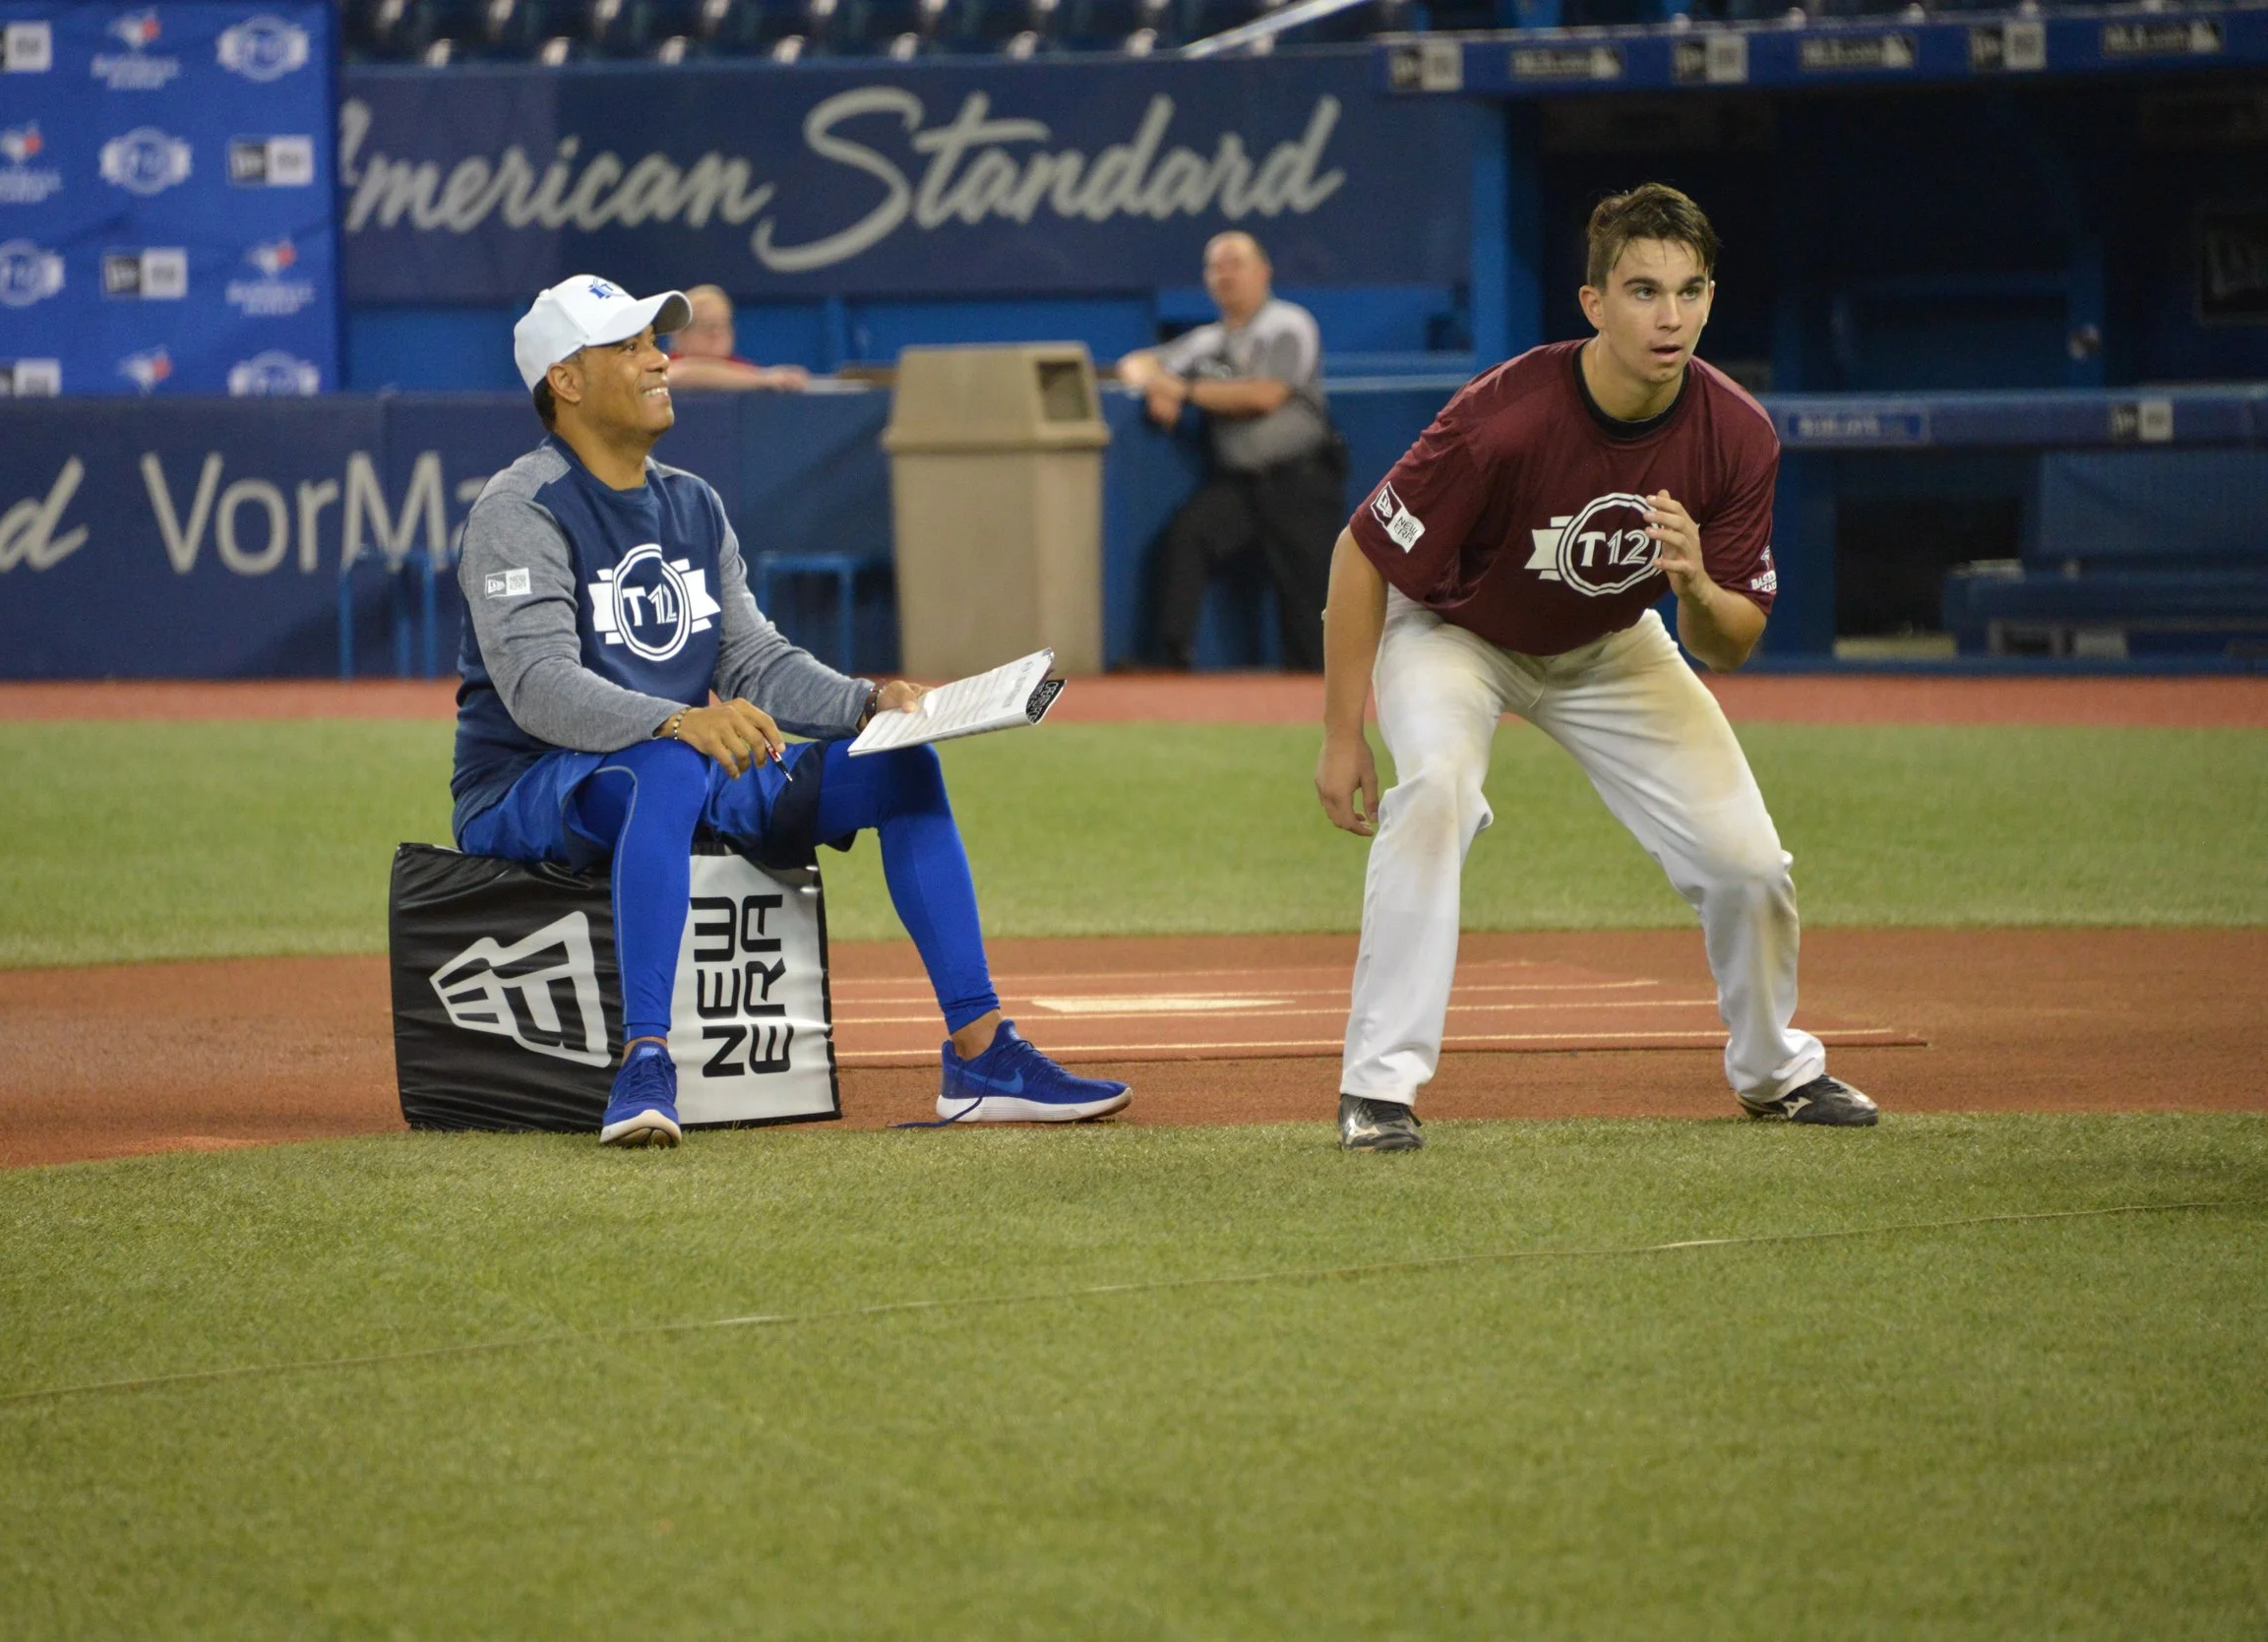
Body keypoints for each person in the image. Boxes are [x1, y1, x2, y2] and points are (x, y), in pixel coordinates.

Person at [453, 274, 1132, 1148]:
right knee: (669, 767)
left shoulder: (692, 503)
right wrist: (675, 721)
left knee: (901, 763)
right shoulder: (519, 508)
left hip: (675, 768)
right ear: (566, 380)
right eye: (630, 347)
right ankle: (646, 1060)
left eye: (655, 341)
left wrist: (869, 701)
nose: (661, 359)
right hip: (528, 785)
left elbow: (755, 661)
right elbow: (537, 685)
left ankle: (982, 1054)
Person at [1315, 184, 1878, 1153]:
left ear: (1710, 299)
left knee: (1747, 864)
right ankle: (1378, 1088)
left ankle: (1772, 1070)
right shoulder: (1501, 419)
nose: (1670, 317)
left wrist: (1695, 583)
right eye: (1643, 291)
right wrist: (1341, 732)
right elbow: (1362, 551)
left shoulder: (1738, 433)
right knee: (1436, 793)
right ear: (1594, 303)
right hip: (1456, 632)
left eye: (1690, 291)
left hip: (1611, 645)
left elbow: (1727, 642)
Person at [1117, 232, 1341, 672]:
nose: (1225, 275)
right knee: (1184, 540)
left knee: (1307, 613)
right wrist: (1156, 385)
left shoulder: (1289, 324)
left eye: (1236, 264)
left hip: (1301, 482)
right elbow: (1134, 363)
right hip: (1239, 487)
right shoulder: (1206, 340)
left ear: (1263, 271)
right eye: (1216, 267)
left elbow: (1265, 395)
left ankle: (1310, 691)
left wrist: (1183, 390)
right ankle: (1170, 664)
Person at [662, 284, 810, 392]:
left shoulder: (741, 368)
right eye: (708, 326)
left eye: (724, 325)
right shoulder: (661, 366)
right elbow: (686, 374)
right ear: (681, 334)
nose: (718, 334)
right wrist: (763, 379)